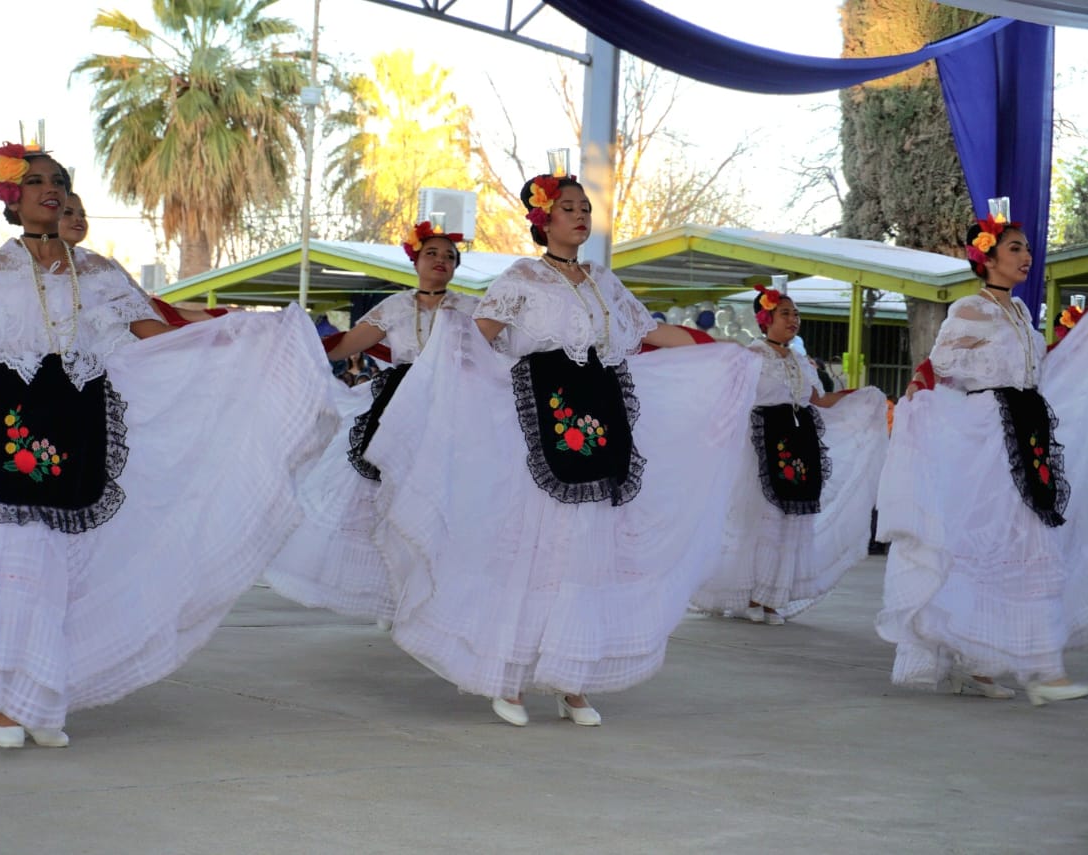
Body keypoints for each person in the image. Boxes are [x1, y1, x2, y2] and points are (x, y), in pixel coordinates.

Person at [0, 142, 336, 747]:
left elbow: (159, 339)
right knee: (21, 558)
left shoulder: (102, 272)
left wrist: (248, 337)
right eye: (35, 181)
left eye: (58, 179)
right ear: (13, 198)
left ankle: (35, 698)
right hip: (11, 423)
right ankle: (15, 703)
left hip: (83, 418)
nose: (50, 188)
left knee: (66, 562)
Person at [364, 174, 761, 726]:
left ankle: (570, 676)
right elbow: (479, 337)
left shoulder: (603, 281)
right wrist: (441, 382)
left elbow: (647, 332)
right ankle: (508, 674)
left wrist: (725, 350)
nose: (579, 215)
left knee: (586, 545)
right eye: (568, 207)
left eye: (585, 206)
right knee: (536, 544)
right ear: (543, 220)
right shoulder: (522, 277)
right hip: (539, 418)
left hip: (598, 413)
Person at [876, 199, 1088, 705]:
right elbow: (942, 362)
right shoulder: (970, 308)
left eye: (1028, 249)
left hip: (1027, 430)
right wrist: (919, 394)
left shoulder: (1018, 310)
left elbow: (1034, 368)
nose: (1027, 256)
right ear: (988, 257)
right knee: (991, 538)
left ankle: (995, 663)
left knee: (1024, 540)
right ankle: (1027, 670)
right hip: (989, 433)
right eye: (1016, 248)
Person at [263, 223, 477, 623]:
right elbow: (345, 345)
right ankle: (395, 591)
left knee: (448, 494)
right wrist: (293, 346)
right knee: (387, 496)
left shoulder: (470, 309)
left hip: (453, 405)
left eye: (449, 256)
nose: (441, 261)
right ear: (416, 260)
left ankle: (438, 590)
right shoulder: (395, 307)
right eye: (433, 253)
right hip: (399, 404)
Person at [690, 287, 888, 624]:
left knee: (790, 522)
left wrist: (860, 397)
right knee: (759, 518)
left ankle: (772, 599)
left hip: (798, 442)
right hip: (761, 444)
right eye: (785, 313)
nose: (793, 319)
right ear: (766, 319)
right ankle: (749, 596)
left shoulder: (801, 361)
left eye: (795, 314)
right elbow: (732, 400)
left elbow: (818, 401)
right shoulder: (751, 357)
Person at [59, 192, 222, 325]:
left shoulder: (99, 263)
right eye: (68, 213)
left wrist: (207, 320)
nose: (78, 219)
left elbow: (146, 307)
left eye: (83, 214)